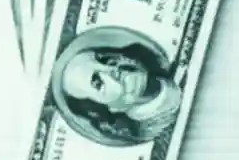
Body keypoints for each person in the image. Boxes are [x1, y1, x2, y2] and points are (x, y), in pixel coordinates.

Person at [51, 29, 182, 146]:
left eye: (104, 59)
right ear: (108, 109)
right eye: (97, 82)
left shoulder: (176, 67)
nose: (113, 69)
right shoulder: (152, 130)